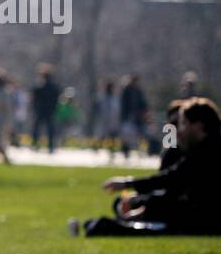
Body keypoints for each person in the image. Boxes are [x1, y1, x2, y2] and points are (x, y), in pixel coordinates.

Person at [80, 97, 221, 236]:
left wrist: (129, 186)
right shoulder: (196, 148)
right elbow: (171, 177)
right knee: (129, 204)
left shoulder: (206, 152)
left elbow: (171, 180)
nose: (178, 130)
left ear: (199, 125)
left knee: (118, 222)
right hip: (190, 211)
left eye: (183, 124)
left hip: (201, 218)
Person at [31, 65, 60, 153]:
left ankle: (37, 144)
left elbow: (35, 97)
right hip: (48, 110)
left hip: (43, 110)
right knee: (48, 129)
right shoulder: (52, 87)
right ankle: (49, 146)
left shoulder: (41, 86)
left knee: (40, 128)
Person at [92, 80, 120, 158]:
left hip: (112, 121)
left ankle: (111, 151)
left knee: (112, 137)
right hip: (103, 120)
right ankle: (96, 147)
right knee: (101, 136)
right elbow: (97, 109)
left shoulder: (115, 98)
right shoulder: (102, 98)